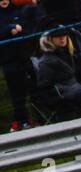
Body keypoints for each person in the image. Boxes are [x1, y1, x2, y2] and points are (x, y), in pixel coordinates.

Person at [32, 25, 81, 120]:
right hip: (64, 94)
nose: (62, 38)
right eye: (58, 36)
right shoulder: (46, 61)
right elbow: (43, 86)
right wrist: (58, 98)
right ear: (49, 39)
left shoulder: (67, 53)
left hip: (75, 88)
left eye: (64, 35)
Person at [0, 0, 36, 130]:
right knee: (17, 94)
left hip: (24, 57)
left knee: (33, 88)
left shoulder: (18, 12)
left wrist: (20, 30)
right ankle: (22, 121)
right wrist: (9, 30)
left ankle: (37, 118)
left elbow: (29, 29)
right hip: (8, 61)